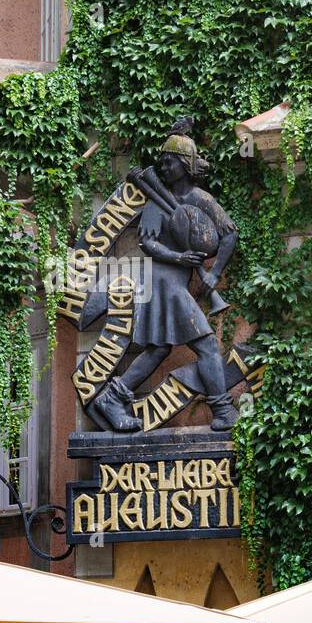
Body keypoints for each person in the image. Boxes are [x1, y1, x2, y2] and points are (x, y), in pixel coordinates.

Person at [90, 127, 240, 432]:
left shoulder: (200, 198)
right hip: (162, 281)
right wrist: (179, 258)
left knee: (158, 348)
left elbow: (229, 233)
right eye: (163, 162)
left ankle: (112, 398)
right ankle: (223, 411)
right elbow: (148, 243)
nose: (164, 167)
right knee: (208, 345)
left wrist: (213, 273)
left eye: (169, 161)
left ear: (184, 164)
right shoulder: (157, 201)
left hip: (174, 283)